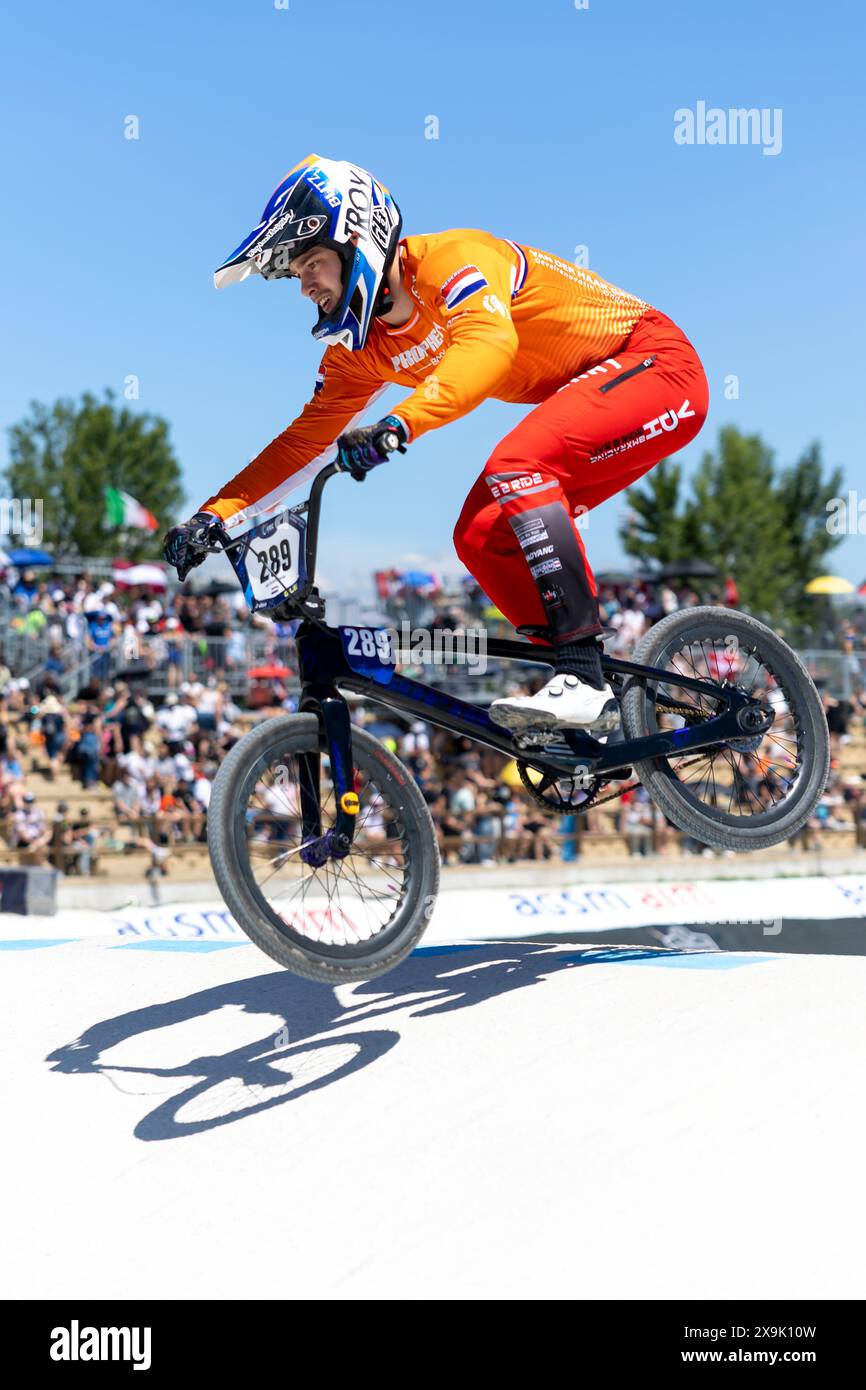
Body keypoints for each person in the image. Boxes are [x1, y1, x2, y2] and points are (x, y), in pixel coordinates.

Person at [164, 155, 708, 732]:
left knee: (517, 465)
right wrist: (213, 516)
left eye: (313, 263)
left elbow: (488, 347)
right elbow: (303, 443)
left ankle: (582, 673)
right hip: (590, 395)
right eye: (297, 273)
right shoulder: (362, 350)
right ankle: (591, 689)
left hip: (652, 363)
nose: (304, 287)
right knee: (478, 536)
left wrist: (400, 424)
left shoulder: (454, 260)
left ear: (359, 240)